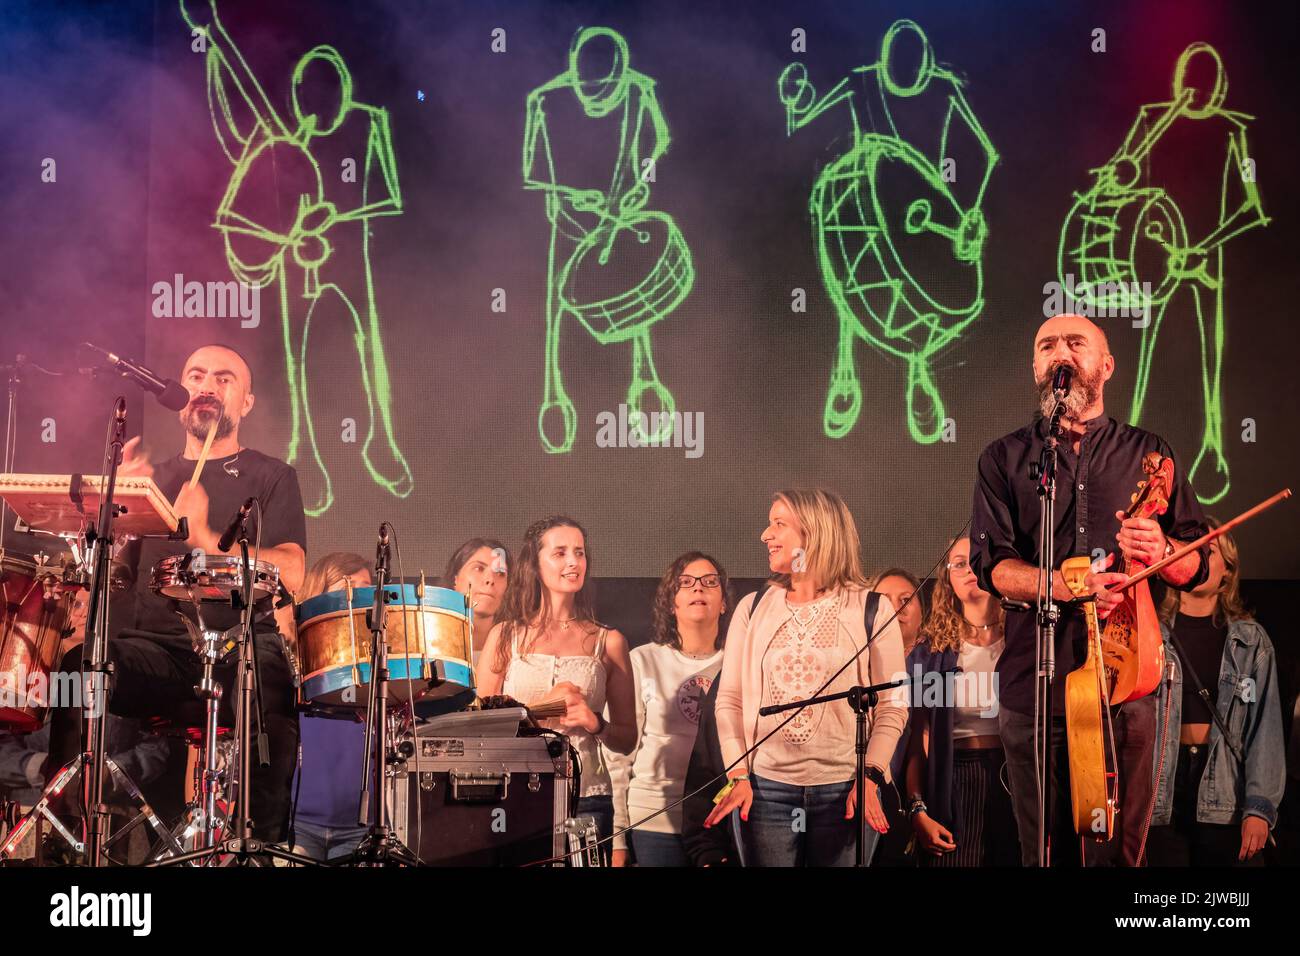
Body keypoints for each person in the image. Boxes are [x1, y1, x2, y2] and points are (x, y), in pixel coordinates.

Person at [970, 313, 1208, 866]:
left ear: (1106, 365)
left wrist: (1162, 551)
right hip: (1036, 683)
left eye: (1076, 343)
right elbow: (994, 566)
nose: (1060, 353)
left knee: (1120, 854)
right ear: (1035, 367)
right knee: (1043, 852)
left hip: (1128, 683)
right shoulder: (1003, 458)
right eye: (1046, 345)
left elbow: (1203, 566)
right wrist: (1064, 584)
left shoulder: (1150, 451)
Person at [47, 343, 307, 844]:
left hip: (243, 647)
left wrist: (206, 538)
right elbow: (116, 577)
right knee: (79, 668)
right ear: (182, 395)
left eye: (224, 378)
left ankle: (263, 845)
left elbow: (293, 572)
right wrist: (116, 513)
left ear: (246, 402)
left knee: (272, 695)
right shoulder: (154, 479)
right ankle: (66, 834)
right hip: (160, 650)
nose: (207, 385)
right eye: (196, 375)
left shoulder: (271, 475)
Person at [706, 489, 907, 866]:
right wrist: (738, 774)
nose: (765, 535)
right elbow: (729, 700)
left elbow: (894, 706)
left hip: (846, 792)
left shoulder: (871, 609)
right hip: (765, 793)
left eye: (778, 524)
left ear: (816, 533)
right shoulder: (752, 608)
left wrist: (871, 777)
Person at [477, 516, 636, 850]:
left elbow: (626, 739)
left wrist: (595, 723)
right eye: (560, 553)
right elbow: (480, 726)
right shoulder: (506, 636)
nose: (573, 562)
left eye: (579, 552)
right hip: (516, 792)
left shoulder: (608, 641)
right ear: (535, 564)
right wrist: (542, 708)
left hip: (588, 797)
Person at [1146, 521, 1285, 866]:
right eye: (1187, 550)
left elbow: (1264, 731)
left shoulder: (1251, 642)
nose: (1197, 559)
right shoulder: (1150, 634)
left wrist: (1259, 808)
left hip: (1227, 788)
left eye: (1208, 551)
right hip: (1161, 790)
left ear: (1227, 572)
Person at [608, 552, 730, 867]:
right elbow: (618, 757)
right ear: (671, 602)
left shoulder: (738, 664)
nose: (698, 589)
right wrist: (618, 837)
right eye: (685, 583)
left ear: (725, 602)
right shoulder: (642, 660)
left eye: (709, 582)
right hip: (654, 819)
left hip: (719, 821)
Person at [905, 537, 1019, 866]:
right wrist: (917, 808)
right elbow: (920, 738)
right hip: (953, 781)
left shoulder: (1026, 642)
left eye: (976, 559)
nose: (969, 569)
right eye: (958, 563)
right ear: (948, 581)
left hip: (1015, 775)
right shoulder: (934, 652)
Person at [288, 552, 372, 862]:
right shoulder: (292, 663)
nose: (358, 597)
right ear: (318, 594)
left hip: (361, 826)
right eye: (348, 586)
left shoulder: (380, 670)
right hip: (298, 825)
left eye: (366, 589)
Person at [869, 566, 926, 866]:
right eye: (884, 599)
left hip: (924, 798)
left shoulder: (938, 662)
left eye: (906, 599)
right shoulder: (858, 664)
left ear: (921, 609)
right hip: (865, 792)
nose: (895, 608)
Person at [442, 538, 511, 666]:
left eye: (500, 573)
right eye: (479, 568)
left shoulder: (517, 648)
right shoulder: (429, 642)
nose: (490, 579)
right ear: (455, 579)